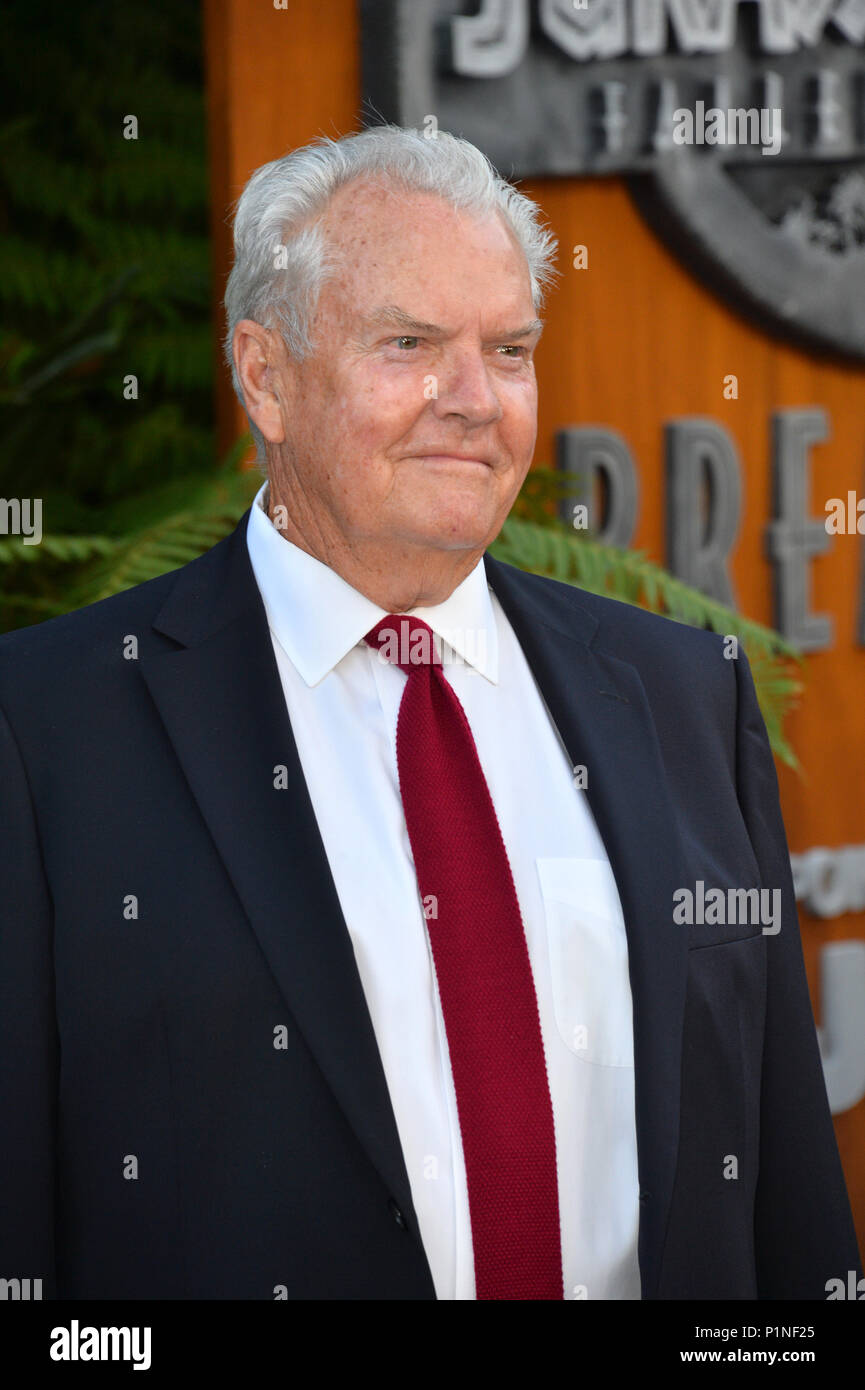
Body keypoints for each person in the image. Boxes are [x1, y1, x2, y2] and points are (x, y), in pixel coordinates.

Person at [0, 125, 859, 1301]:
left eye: (508, 350)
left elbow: (784, 1188)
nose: (472, 400)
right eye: (407, 344)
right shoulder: (47, 725)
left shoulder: (681, 692)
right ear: (265, 375)